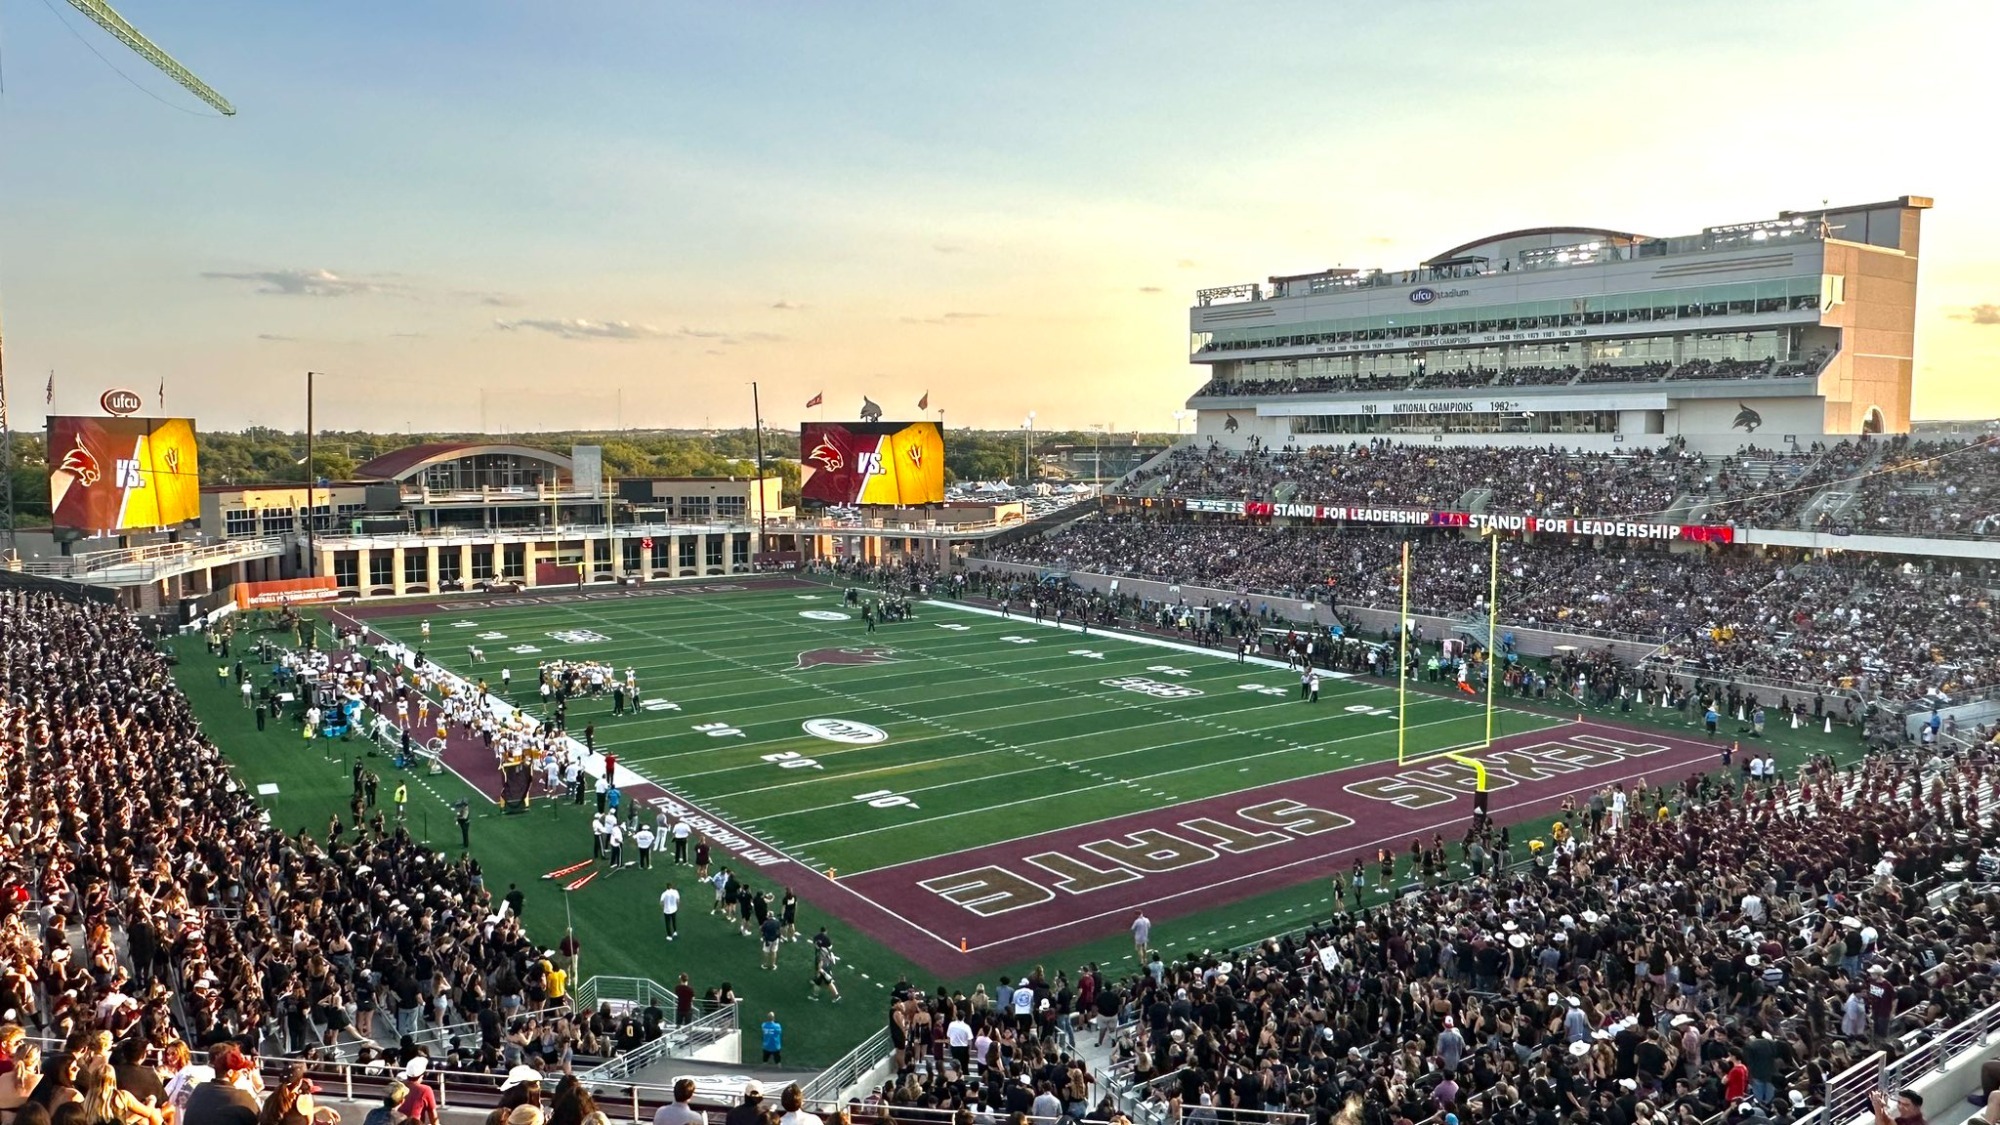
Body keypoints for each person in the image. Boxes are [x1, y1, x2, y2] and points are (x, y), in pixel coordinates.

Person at [181, 1046, 259, 1125]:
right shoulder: (242, 1097)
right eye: (241, 1071)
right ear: (230, 1072)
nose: (242, 1075)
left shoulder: (199, 1089)